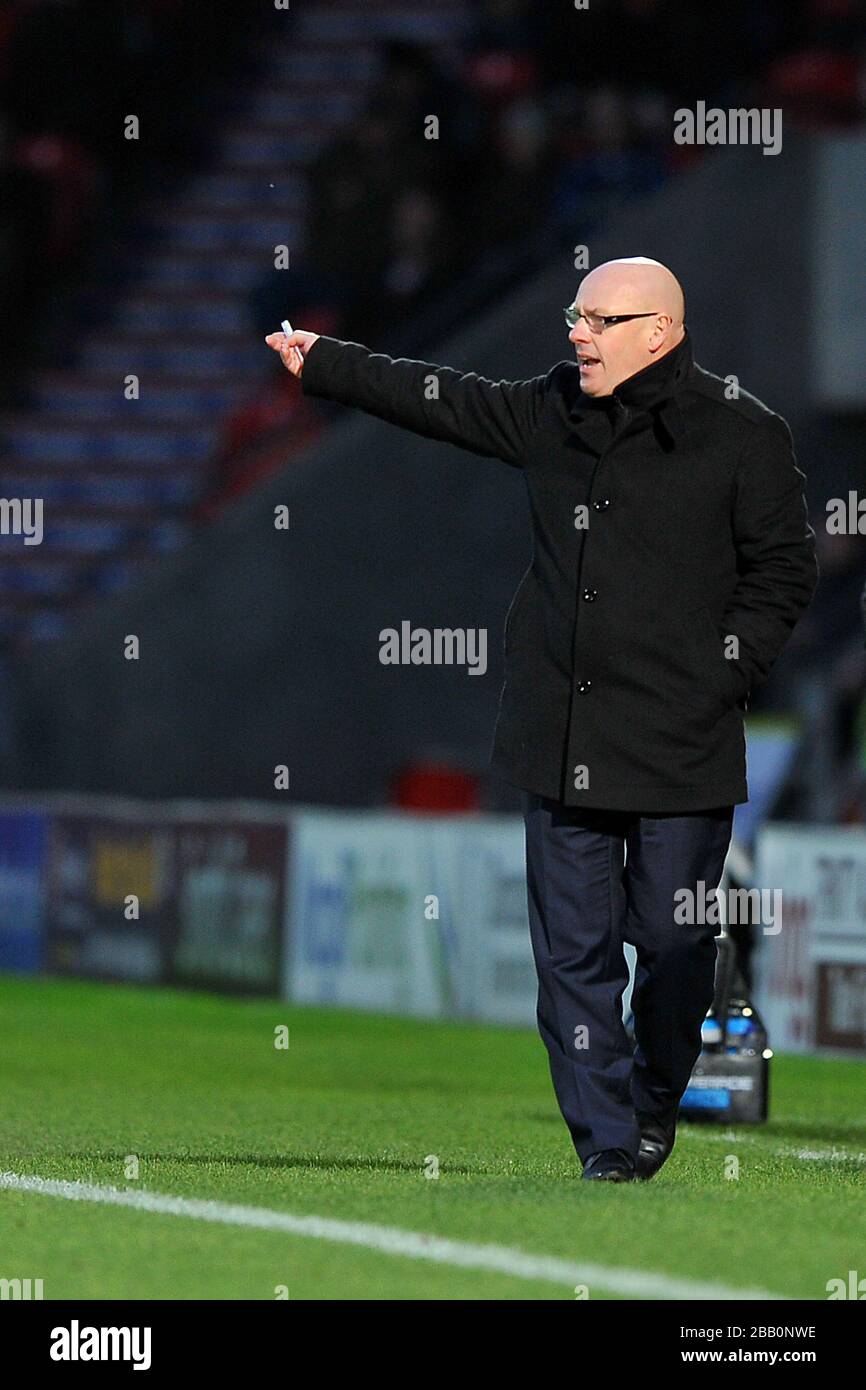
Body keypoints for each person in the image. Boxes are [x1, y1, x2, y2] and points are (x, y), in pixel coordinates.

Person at [265, 257, 818, 1182]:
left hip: (681, 738)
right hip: (560, 732)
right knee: (573, 959)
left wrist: (725, 670)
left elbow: (784, 573)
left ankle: (651, 1097)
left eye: (599, 319)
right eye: (574, 313)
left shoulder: (743, 434)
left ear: (660, 333)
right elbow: (441, 398)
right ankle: (607, 1142)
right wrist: (327, 362)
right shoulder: (552, 409)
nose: (576, 332)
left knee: (676, 943)